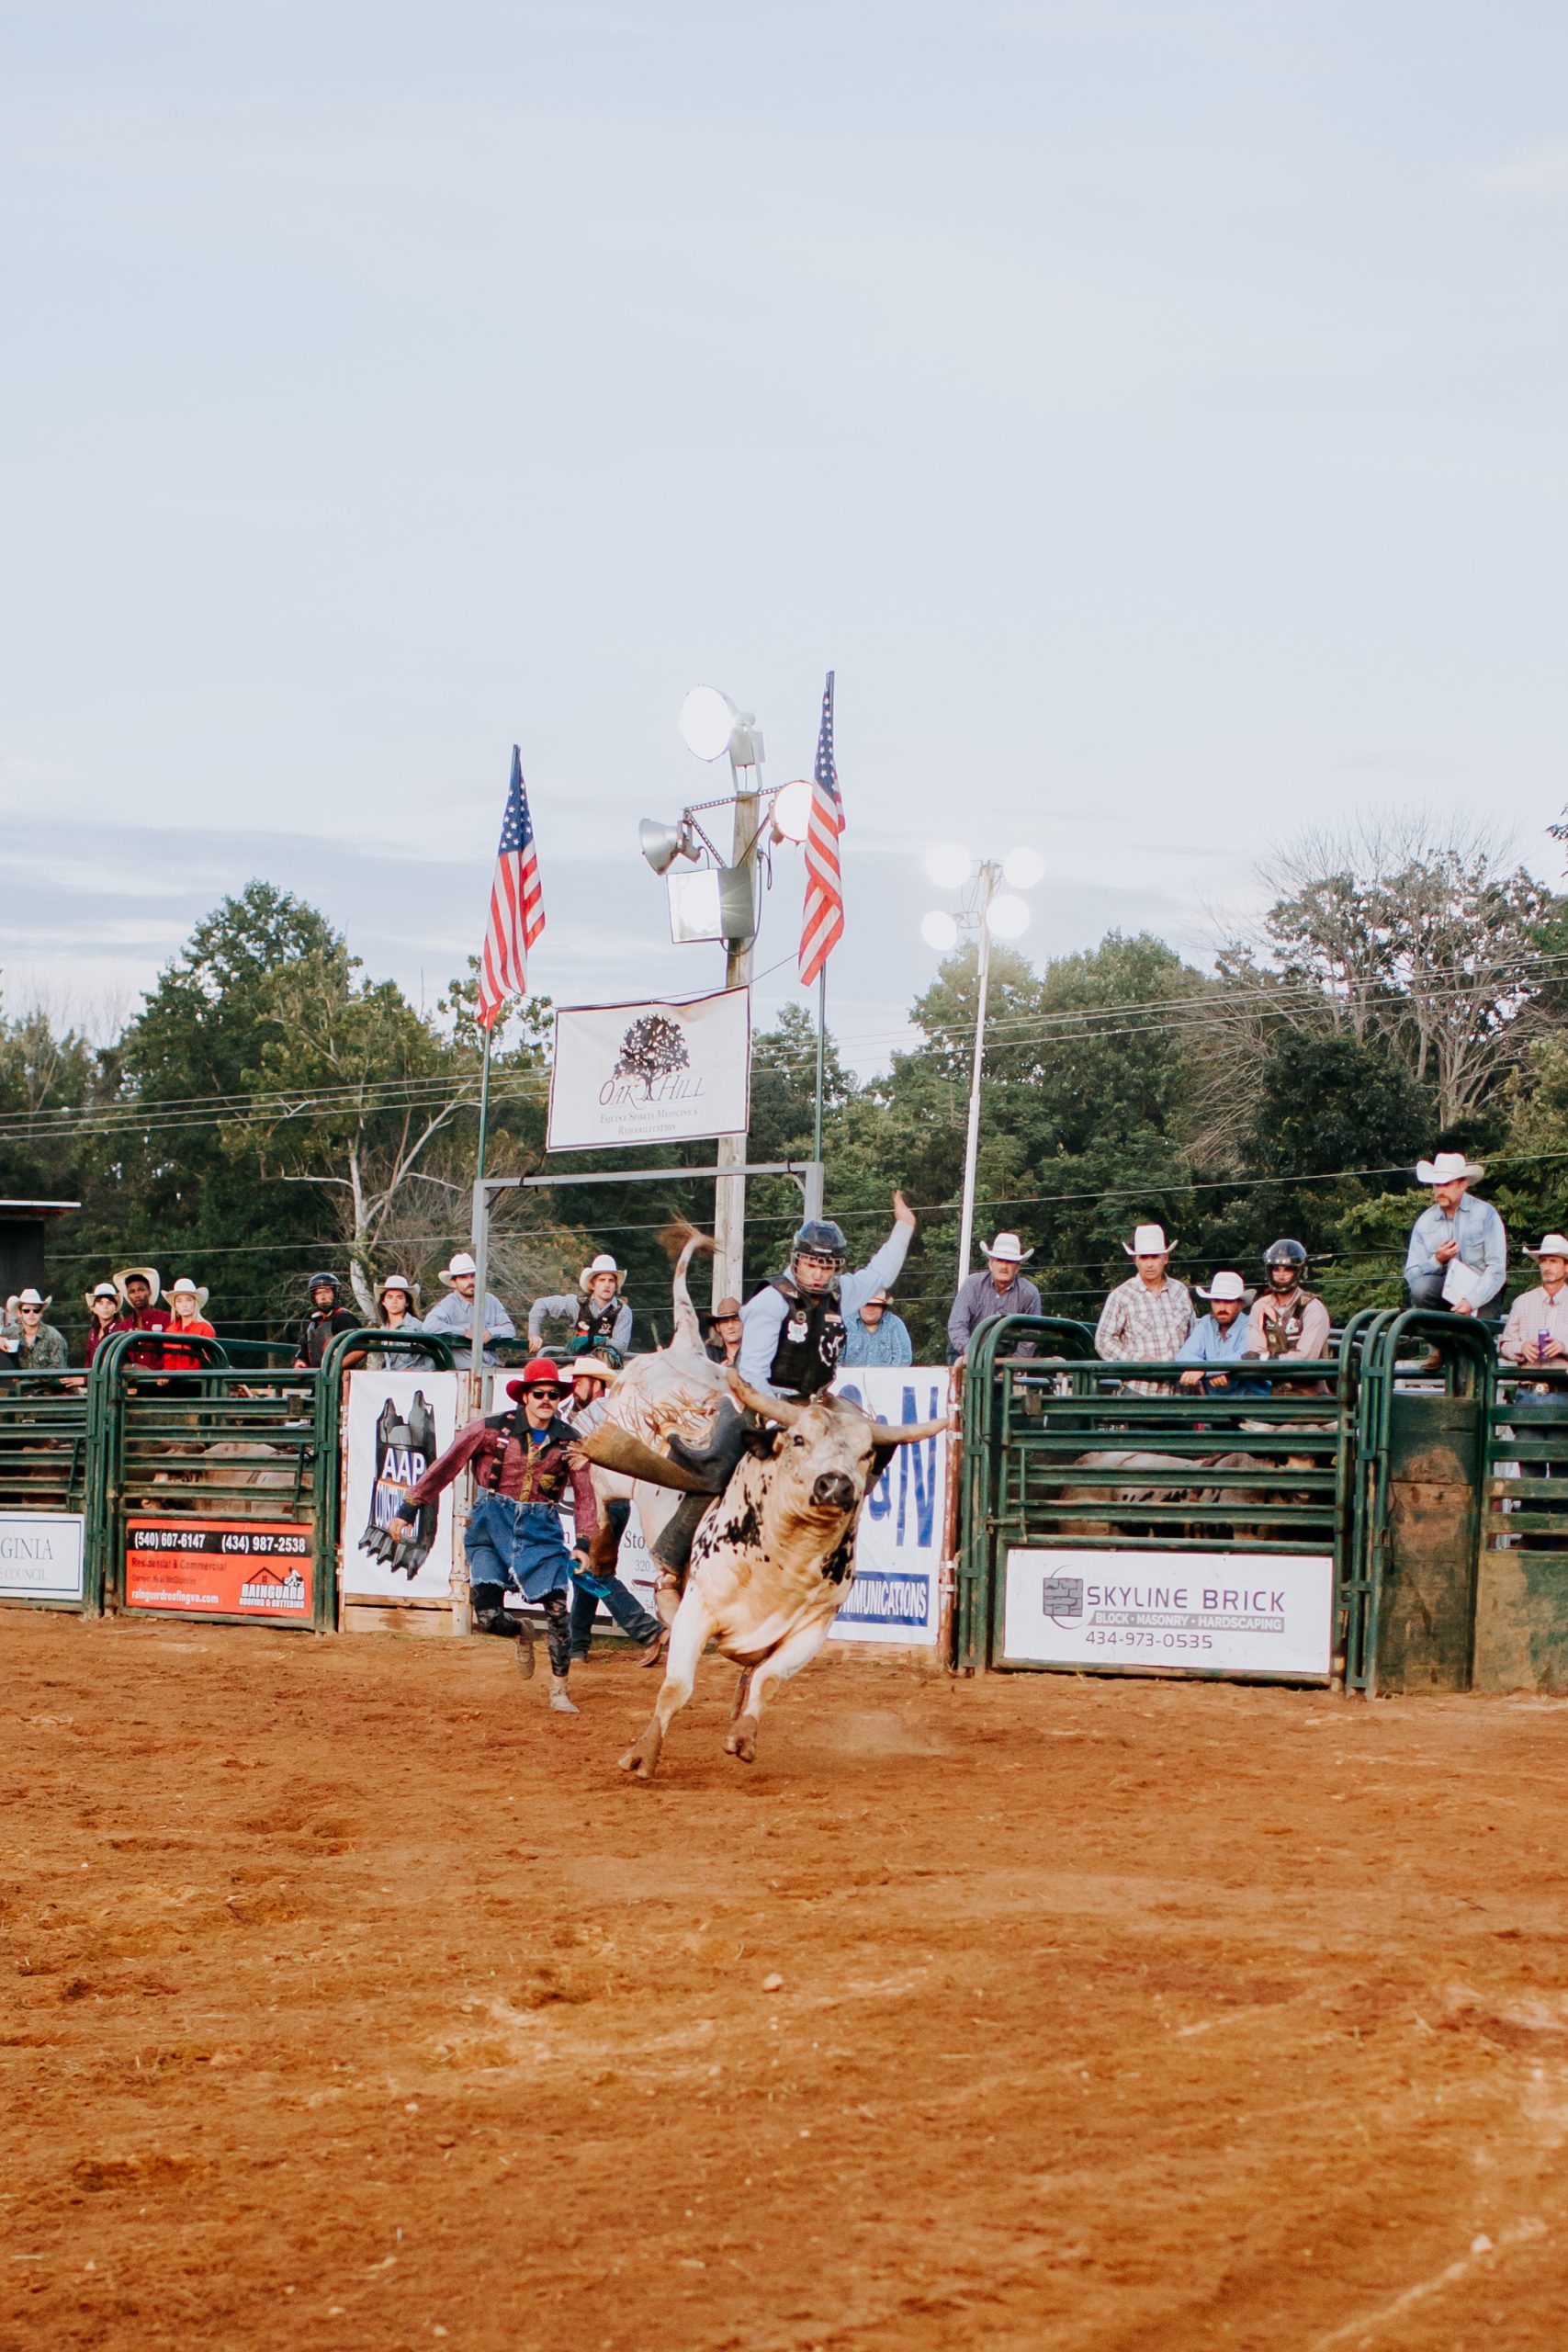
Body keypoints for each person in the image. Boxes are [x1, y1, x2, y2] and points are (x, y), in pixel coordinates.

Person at [651, 1192, 919, 1583]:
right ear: (797, 1260)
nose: (819, 1274)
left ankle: (837, 1531)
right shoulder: (770, 1302)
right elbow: (754, 1371)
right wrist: (778, 1415)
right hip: (759, 1398)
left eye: (827, 1267)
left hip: (815, 1403)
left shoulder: (839, 1295)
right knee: (718, 1463)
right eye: (812, 1264)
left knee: (873, 1441)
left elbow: (880, 1273)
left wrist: (905, 1226)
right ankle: (670, 1560)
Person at [389, 1358, 595, 1713]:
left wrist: (583, 1544)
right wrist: (409, 1508)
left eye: (552, 1394)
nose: (546, 1400)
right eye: (539, 1393)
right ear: (525, 1396)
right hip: (490, 1522)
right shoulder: (488, 1430)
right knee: (487, 1617)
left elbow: (586, 1494)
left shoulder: (571, 1443)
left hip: (541, 1528)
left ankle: (559, 1690)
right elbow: (447, 1465)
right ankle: (521, 1632)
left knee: (559, 1610)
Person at [558, 1348, 665, 1666]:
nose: (575, 1385)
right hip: (611, 1501)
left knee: (590, 1571)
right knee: (589, 1571)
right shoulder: (608, 1409)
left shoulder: (598, 1411)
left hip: (602, 1503)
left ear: (596, 1384)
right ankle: (577, 1646)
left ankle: (646, 1630)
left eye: (581, 1380)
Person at [1404, 1151, 1507, 1317]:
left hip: (1482, 1293)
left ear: (1463, 1184)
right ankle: (1439, 1338)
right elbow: (1411, 1275)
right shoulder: (1424, 1222)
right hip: (1442, 1294)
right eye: (1437, 1185)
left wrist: (1471, 1301)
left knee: (1475, 1335)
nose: (1441, 1190)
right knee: (1420, 1289)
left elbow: (1496, 1269)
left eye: (1447, 1184)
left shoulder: (1486, 1214)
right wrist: (1436, 1260)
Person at [1095, 1225, 1194, 1384]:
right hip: (1139, 1390)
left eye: (1154, 1257)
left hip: (1179, 1390)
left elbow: (1193, 1335)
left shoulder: (1180, 1291)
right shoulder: (1121, 1295)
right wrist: (1137, 1361)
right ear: (1135, 1260)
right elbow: (1103, 1340)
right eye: (1144, 1257)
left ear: (1165, 1258)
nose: (1149, 1264)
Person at [947, 1233, 1043, 1363]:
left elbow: (1031, 1336)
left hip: (1003, 1358)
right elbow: (957, 1324)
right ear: (991, 1264)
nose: (1004, 1266)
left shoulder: (1029, 1293)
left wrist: (1015, 1363)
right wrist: (971, 1352)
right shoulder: (972, 1285)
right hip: (964, 1352)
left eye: (1009, 1262)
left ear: (1017, 1268)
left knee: (1006, 1379)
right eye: (999, 1260)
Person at [422, 1251, 516, 1366]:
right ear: (453, 1282)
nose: (470, 1282)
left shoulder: (491, 1300)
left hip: (491, 1369)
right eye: (463, 1277)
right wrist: (463, 1332)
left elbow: (509, 1329)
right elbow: (429, 1326)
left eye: (473, 1276)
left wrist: (491, 1332)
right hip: (462, 1373)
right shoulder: (449, 1304)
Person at [527, 1254, 634, 1357]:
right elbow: (541, 1304)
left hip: (608, 1366)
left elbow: (621, 1346)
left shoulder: (623, 1311)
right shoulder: (577, 1304)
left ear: (615, 1286)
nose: (607, 1285)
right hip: (577, 1362)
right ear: (592, 1284)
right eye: (602, 1280)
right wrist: (534, 1334)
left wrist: (593, 1340)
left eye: (611, 1281)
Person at [1246, 1241, 1332, 1366]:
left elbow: (1306, 1357)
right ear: (1270, 1271)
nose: (1281, 1275)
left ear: (1299, 1271)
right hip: (1268, 1381)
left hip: (1306, 1382)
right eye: (1276, 1269)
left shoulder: (1312, 1307)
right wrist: (1263, 1359)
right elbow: (1255, 1353)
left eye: (1288, 1269)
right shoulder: (1259, 1306)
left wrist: (1269, 1359)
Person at [1176, 1272, 1261, 1393]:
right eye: (1217, 1301)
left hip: (1251, 1405)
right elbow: (1184, 1355)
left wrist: (1206, 1370)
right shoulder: (1206, 1323)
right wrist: (1211, 1370)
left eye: (1228, 1301)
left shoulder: (1251, 1325)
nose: (1222, 1308)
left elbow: (1245, 1356)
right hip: (1215, 1406)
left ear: (1240, 1304)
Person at [1499, 1236, 1568, 1367]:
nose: (1547, 1267)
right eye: (1543, 1261)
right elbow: (1505, 1345)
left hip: (1563, 1384)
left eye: (1553, 1261)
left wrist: (1563, 1346)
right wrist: (1521, 1347)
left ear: (1566, 1267)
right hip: (1529, 1384)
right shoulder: (1522, 1302)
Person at [293, 1272, 360, 1369]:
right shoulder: (313, 1322)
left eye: (327, 1291)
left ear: (334, 1293)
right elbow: (303, 1353)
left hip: (340, 1378)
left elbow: (360, 1349)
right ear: (314, 1297)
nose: (323, 1297)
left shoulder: (343, 1317)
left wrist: (335, 1368)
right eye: (318, 1293)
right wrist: (300, 1363)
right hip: (318, 1378)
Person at [113, 1266, 172, 1369]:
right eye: (132, 1292)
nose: (137, 1295)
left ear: (149, 1291)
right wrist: (131, 1367)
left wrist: (150, 1370)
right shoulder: (125, 1325)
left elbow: (173, 1353)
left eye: (141, 1290)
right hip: (133, 1381)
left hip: (162, 1380)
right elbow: (120, 1358)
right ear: (128, 1295)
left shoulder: (166, 1319)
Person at [0, 1288, 69, 1372]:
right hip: (23, 1384)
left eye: (36, 1310)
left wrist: (28, 1378)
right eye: (26, 1310)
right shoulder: (12, 1333)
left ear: (41, 1313)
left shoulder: (54, 1336)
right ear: (20, 1313)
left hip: (50, 1384)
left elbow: (58, 1370)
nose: (31, 1314)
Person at [841, 1287, 913, 1368]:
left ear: (883, 1307)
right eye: (866, 1304)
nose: (870, 1308)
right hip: (850, 1379)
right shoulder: (845, 1324)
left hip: (887, 1379)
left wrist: (888, 1378)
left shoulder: (895, 1324)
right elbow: (836, 1360)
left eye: (876, 1304)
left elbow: (903, 1358)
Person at [368, 1274, 423, 1367]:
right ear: (383, 1302)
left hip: (414, 1380)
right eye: (389, 1297)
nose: (394, 1301)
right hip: (390, 1378)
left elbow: (431, 1361)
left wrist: (414, 1371)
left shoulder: (416, 1326)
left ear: (407, 1302)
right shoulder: (383, 1329)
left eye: (399, 1297)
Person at [163, 1277, 216, 1372]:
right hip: (174, 1382)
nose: (184, 1305)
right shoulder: (170, 1330)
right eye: (179, 1301)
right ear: (175, 1306)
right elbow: (168, 1362)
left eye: (189, 1300)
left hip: (198, 1381)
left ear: (195, 1303)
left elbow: (206, 1362)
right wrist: (167, 1374)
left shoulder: (205, 1328)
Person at [83, 1283, 123, 1367]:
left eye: (110, 1303)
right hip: (94, 1378)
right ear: (94, 1309)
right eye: (100, 1303)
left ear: (116, 1309)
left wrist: (84, 1379)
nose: (105, 1307)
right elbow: (89, 1362)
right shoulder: (93, 1333)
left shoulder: (121, 1330)